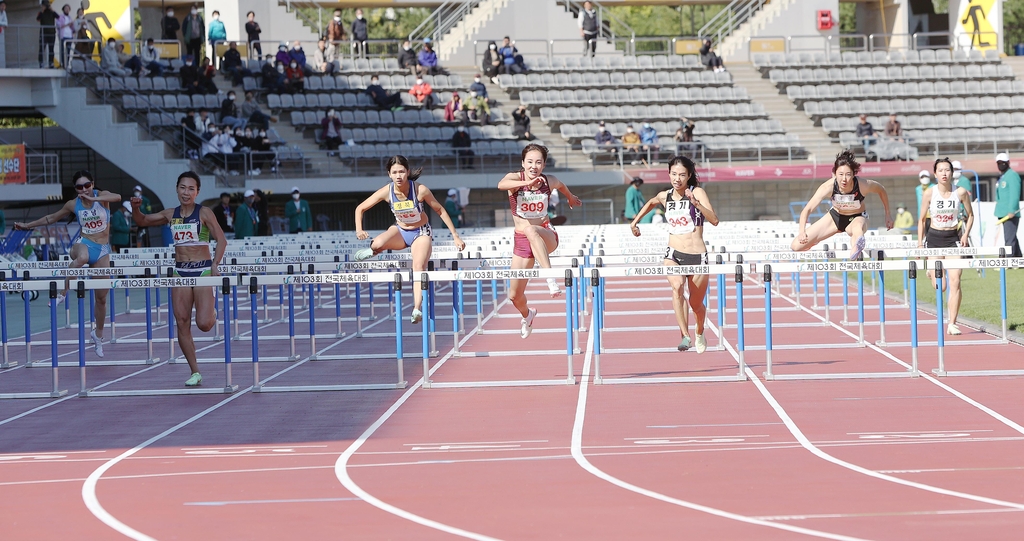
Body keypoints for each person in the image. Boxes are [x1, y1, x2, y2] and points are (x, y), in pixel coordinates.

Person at [130, 171, 227, 387]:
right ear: (177, 189)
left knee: (203, 324)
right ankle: (195, 372)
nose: (186, 192)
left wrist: (215, 264)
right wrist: (136, 208)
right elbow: (143, 221)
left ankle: (210, 312)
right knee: (182, 322)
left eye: (191, 189)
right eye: (183, 188)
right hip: (180, 271)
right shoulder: (170, 214)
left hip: (202, 270)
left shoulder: (205, 213)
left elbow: (221, 240)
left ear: (197, 192)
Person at [13, 171, 118, 357]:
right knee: (83, 258)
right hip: (82, 244)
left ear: (93, 184)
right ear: (75, 189)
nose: (84, 189)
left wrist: (94, 199)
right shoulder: (73, 204)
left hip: (102, 250)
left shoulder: (102, 197)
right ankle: (63, 292)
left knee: (101, 299)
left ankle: (98, 334)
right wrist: (27, 226)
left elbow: (117, 197)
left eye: (87, 185)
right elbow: (50, 218)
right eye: (80, 187)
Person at [353, 156, 466, 323]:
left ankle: (416, 309)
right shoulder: (387, 191)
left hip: (420, 233)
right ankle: (374, 250)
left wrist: (455, 236)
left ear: (407, 172)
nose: (398, 176)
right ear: (389, 174)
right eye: (394, 173)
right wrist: (359, 229)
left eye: (401, 172)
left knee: (418, 266)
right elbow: (360, 208)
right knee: (377, 243)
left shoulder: (420, 190)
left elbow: (440, 210)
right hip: (399, 231)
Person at [628, 156, 719, 352]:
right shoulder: (665, 196)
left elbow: (714, 220)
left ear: (689, 176)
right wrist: (635, 222)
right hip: (674, 253)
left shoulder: (698, 192)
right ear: (669, 174)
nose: (677, 178)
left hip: (697, 256)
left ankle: (699, 331)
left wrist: (697, 204)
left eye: (682, 175)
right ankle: (684, 335)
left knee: (696, 304)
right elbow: (651, 202)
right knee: (677, 287)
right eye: (674, 174)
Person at [498, 144, 582, 338]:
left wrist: (570, 197)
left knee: (531, 229)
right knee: (514, 296)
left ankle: (550, 279)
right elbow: (501, 185)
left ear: (543, 165)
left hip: (545, 234)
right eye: (529, 162)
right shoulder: (514, 178)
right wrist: (526, 184)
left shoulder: (548, 181)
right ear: (523, 163)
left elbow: (560, 184)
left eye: (538, 162)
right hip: (521, 241)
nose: (533, 166)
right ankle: (528, 315)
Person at [791, 149, 894, 261]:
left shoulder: (863, 185)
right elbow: (807, 209)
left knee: (856, 229)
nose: (844, 179)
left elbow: (881, 190)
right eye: (840, 174)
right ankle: (816, 239)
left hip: (857, 216)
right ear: (834, 174)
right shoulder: (828, 187)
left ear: (854, 174)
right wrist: (802, 231)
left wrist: (887, 214)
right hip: (836, 217)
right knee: (796, 246)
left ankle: (856, 248)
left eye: (848, 175)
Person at [919, 158, 974, 335]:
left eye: (947, 170)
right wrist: (920, 244)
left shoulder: (961, 192)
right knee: (941, 286)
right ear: (935, 174)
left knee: (955, 280)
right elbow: (921, 220)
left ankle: (952, 323)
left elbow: (970, 215)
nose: (944, 173)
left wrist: (965, 235)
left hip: (952, 238)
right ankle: (930, 272)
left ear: (952, 173)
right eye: (940, 170)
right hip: (934, 238)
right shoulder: (929, 193)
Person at [994, 152, 1022, 257]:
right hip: (1002, 211)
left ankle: (1008, 261)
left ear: (1008, 163)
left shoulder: (1012, 175)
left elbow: (1015, 194)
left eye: (1003, 163)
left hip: (1010, 212)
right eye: (999, 163)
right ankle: (1019, 259)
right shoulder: (1003, 176)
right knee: (1012, 236)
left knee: (1009, 238)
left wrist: (1012, 210)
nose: (1001, 165)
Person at [37, 1, 57, 68]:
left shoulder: (52, 12)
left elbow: (58, 16)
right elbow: (38, 19)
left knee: (51, 49)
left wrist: (52, 9)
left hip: (52, 33)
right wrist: (42, 11)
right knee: (42, 48)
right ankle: (41, 62)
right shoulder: (41, 13)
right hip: (43, 33)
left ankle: (51, 63)